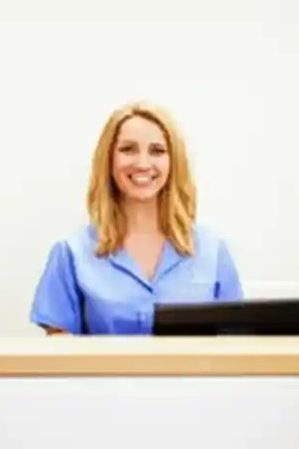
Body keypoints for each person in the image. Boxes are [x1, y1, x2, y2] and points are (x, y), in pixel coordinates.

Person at [30, 102, 242, 335]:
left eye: (157, 151)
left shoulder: (212, 250)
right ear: (109, 159)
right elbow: (59, 354)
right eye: (128, 149)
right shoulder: (72, 252)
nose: (142, 163)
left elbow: (234, 343)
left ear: (174, 162)